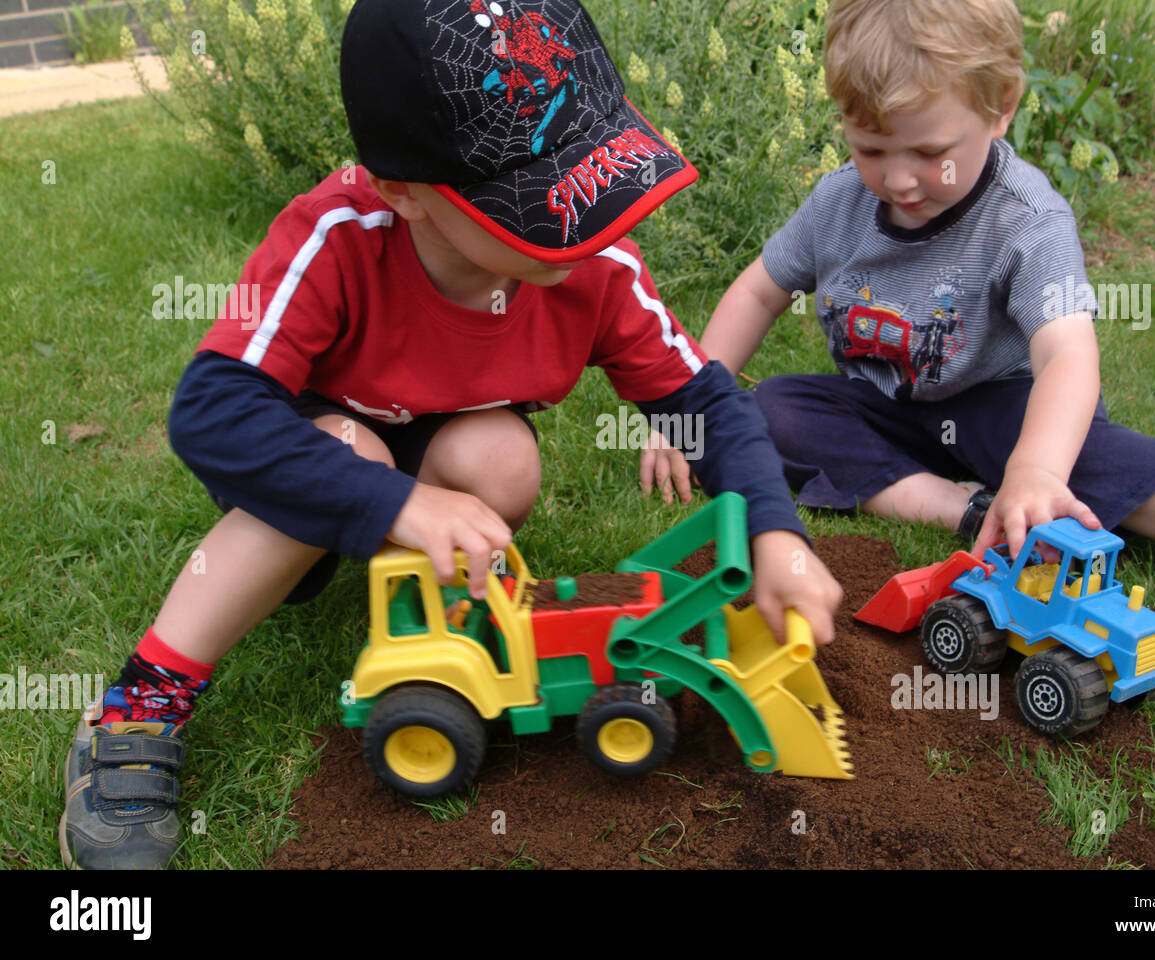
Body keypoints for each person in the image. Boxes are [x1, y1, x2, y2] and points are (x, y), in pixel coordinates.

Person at [59, 0, 841, 871]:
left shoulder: (594, 263)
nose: (582, 214)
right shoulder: (339, 237)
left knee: (502, 461)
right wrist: (397, 501)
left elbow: (706, 401)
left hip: (443, 440)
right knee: (350, 455)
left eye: (587, 164)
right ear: (404, 191)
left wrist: (775, 529)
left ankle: (411, 573)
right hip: (314, 447)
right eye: (538, 193)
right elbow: (211, 411)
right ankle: (141, 702)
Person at [643, 0, 1155, 611]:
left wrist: (1037, 467)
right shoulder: (837, 203)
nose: (898, 180)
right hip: (887, 409)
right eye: (870, 149)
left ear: (1001, 107)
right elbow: (761, 289)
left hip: (1004, 414)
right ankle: (959, 506)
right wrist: (690, 405)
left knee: (1106, 461)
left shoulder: (1026, 219)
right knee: (777, 411)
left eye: (929, 153)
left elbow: (1068, 352)